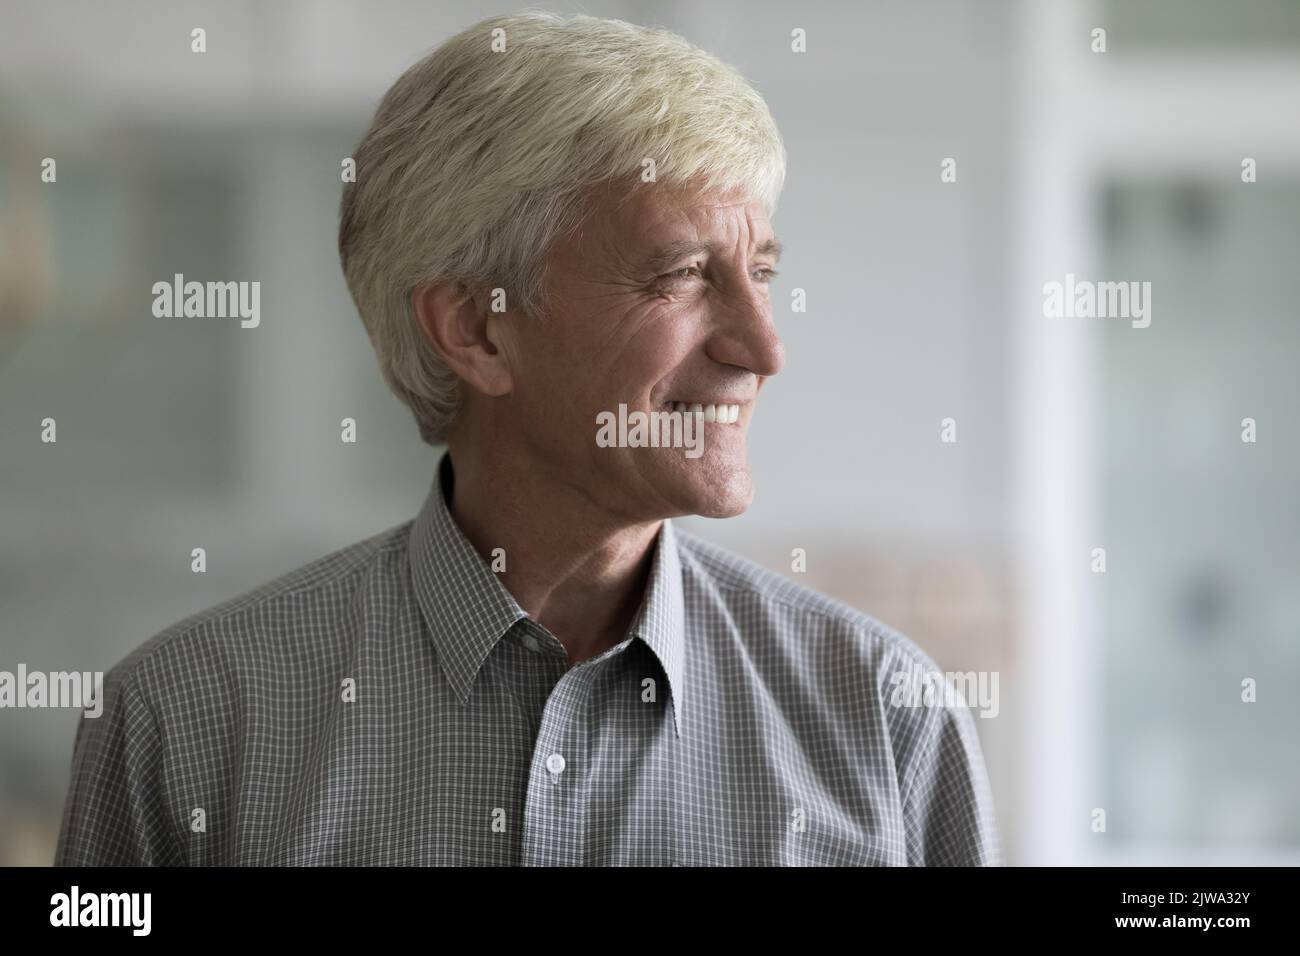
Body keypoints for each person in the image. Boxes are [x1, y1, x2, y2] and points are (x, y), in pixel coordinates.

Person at [56, 10, 999, 866]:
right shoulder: (182, 725)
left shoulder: (887, 718)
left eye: (760, 272)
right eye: (681, 275)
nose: (763, 347)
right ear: (476, 330)